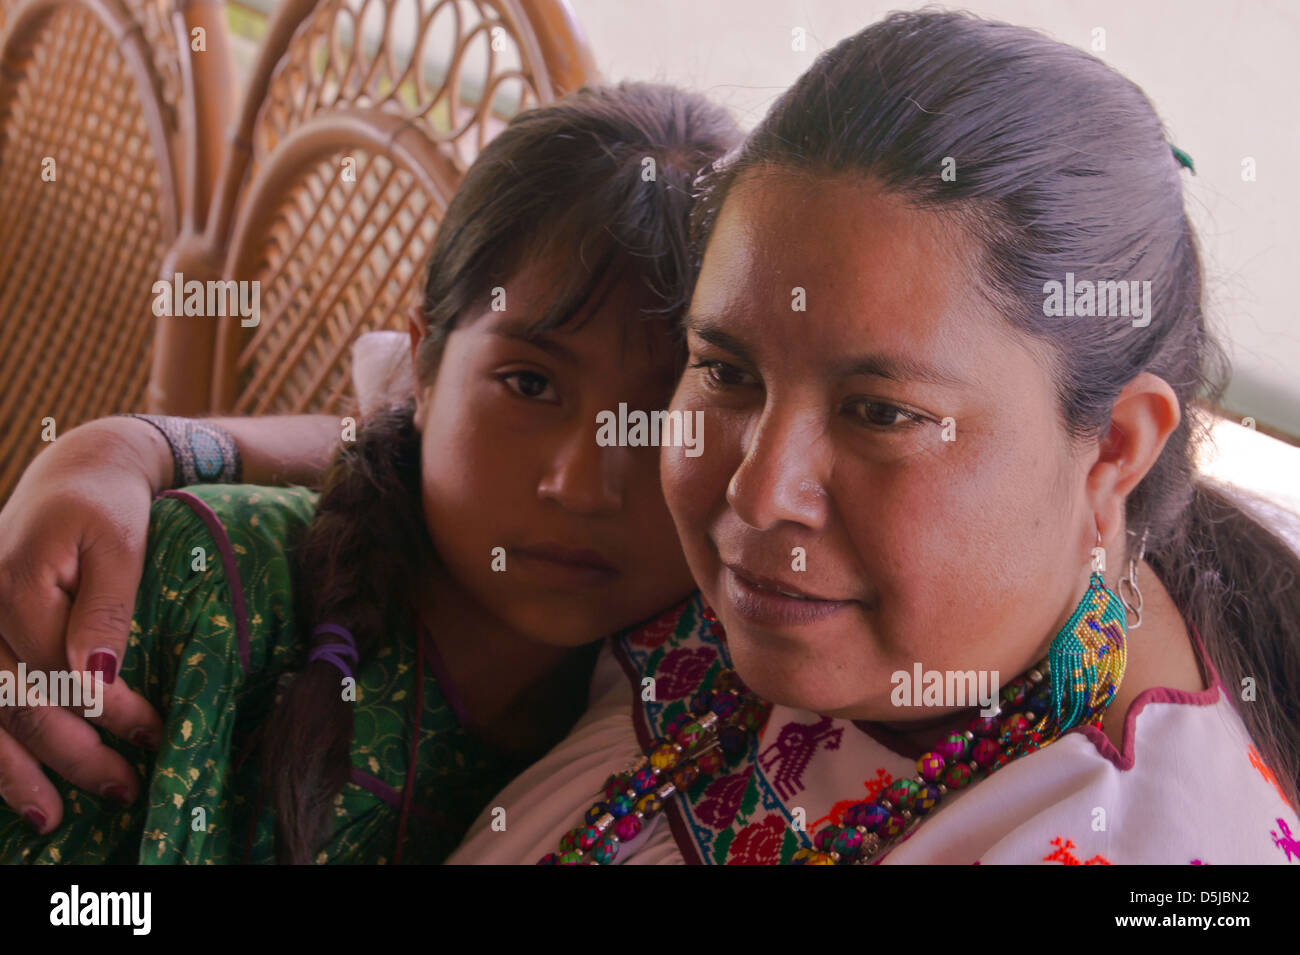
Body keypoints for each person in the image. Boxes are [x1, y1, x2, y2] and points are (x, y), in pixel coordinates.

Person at [442, 10, 1300, 864]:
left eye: (881, 413)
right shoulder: (729, 600)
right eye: (727, 371)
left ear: (1114, 447)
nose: (758, 490)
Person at [0, 81, 738, 862]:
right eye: (530, 384)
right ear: (423, 365)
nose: (583, 485)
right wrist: (122, 448)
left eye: (659, 418)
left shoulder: (713, 694)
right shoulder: (196, 593)